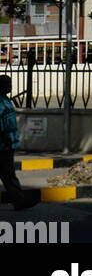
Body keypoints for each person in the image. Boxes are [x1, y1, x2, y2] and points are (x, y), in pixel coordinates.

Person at [0, 75, 40, 210]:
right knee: (9, 175)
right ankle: (19, 201)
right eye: (7, 83)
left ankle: (19, 200)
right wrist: (5, 137)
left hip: (7, 145)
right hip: (3, 146)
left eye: (10, 83)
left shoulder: (5, 99)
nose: (10, 86)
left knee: (8, 175)